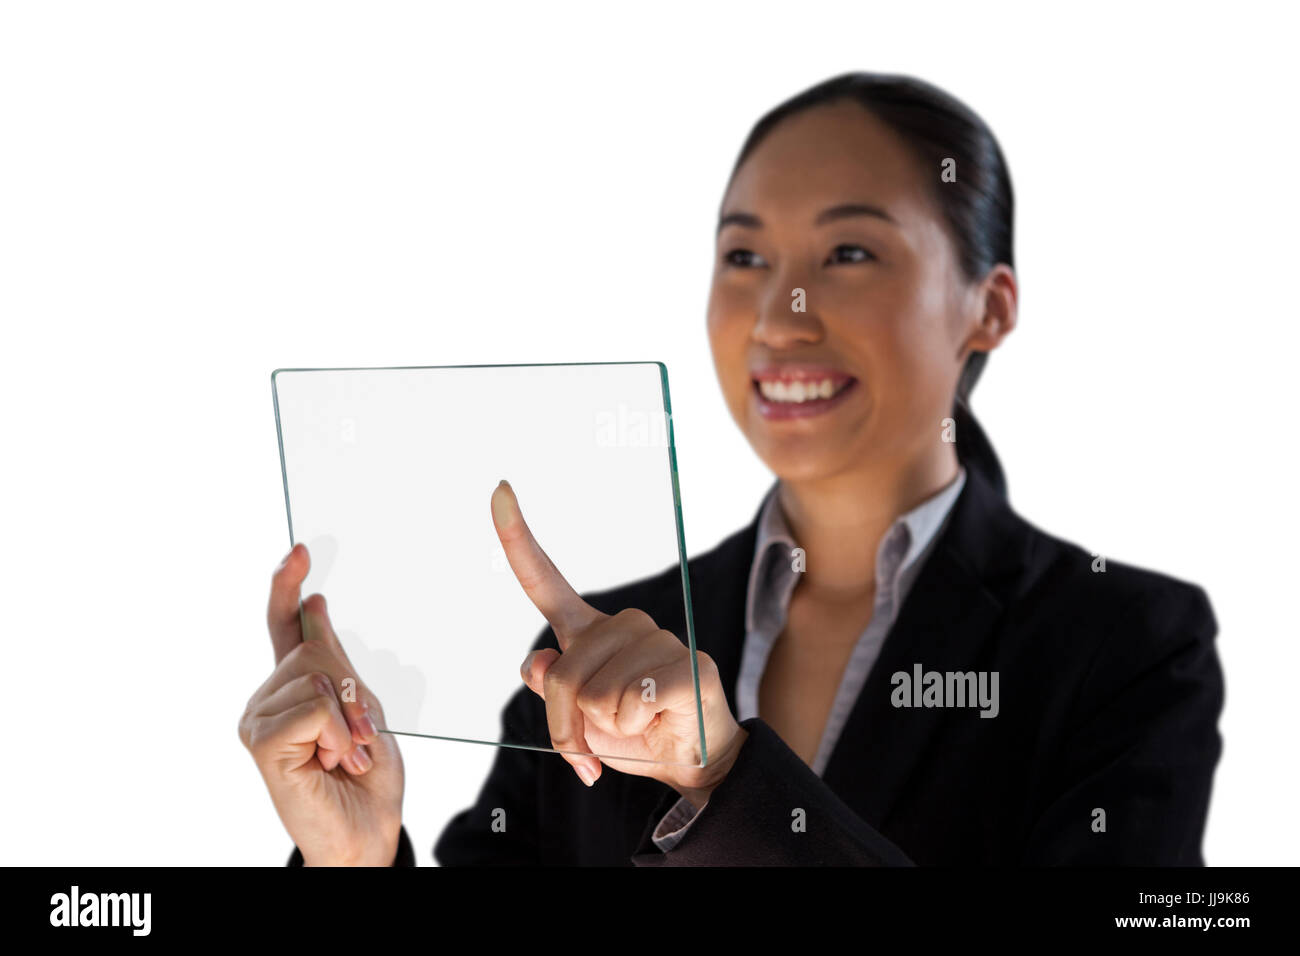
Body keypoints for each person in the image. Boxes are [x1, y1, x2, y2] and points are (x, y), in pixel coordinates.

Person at [240, 72, 1224, 866]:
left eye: (848, 250)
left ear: (989, 307)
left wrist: (725, 782)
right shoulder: (594, 647)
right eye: (743, 257)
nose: (778, 316)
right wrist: (357, 857)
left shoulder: (1124, 644)